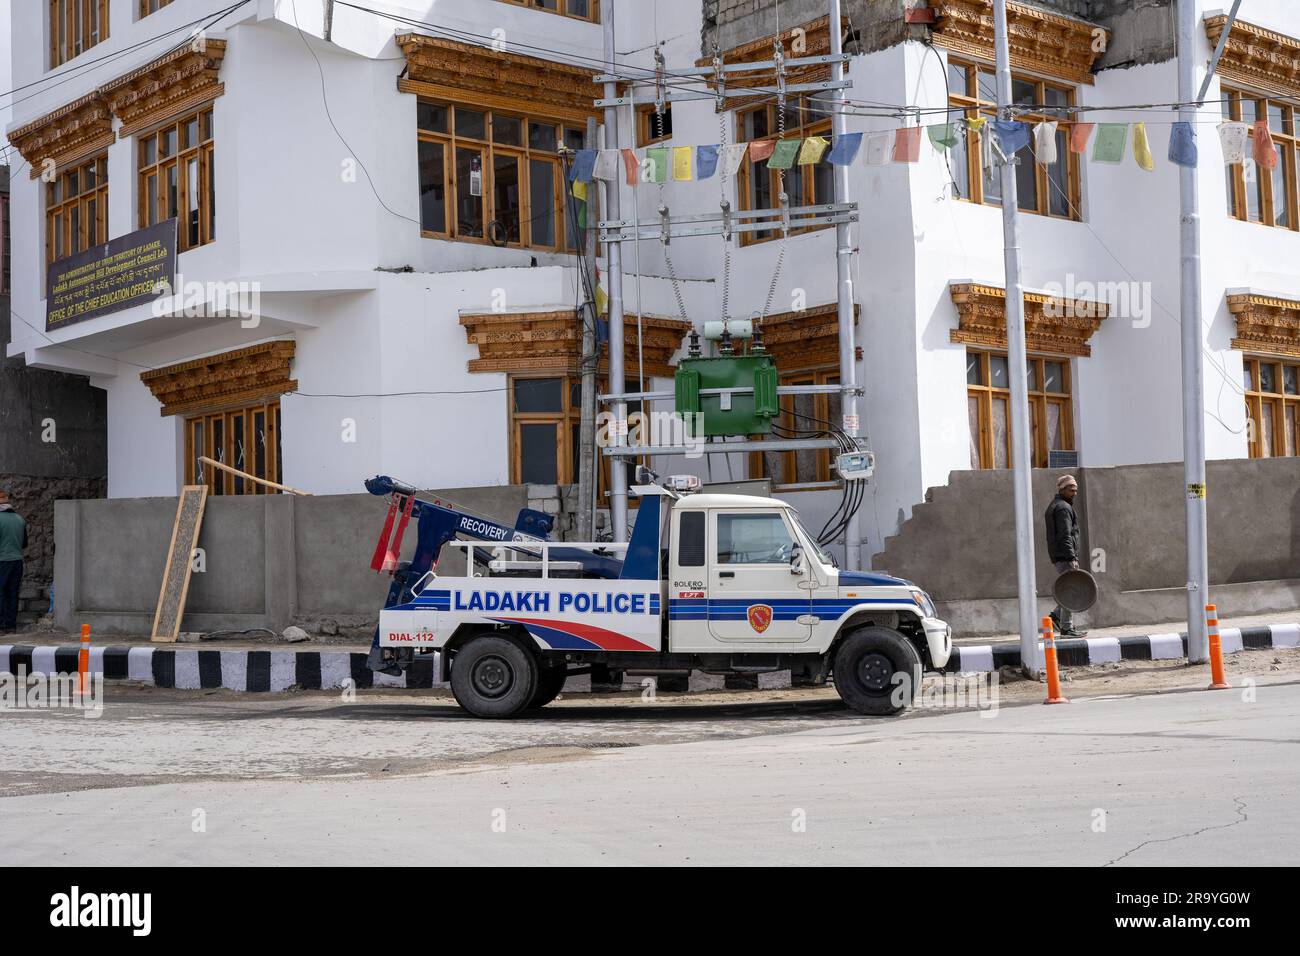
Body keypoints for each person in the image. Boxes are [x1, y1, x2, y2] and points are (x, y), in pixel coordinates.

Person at [1045, 474, 1086, 637]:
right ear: (1062, 489)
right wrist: (1071, 557)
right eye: (1071, 489)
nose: (1074, 493)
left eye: (1076, 490)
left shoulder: (1057, 505)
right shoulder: (1063, 508)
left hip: (1060, 554)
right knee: (1070, 590)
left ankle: (1055, 616)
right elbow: (1065, 535)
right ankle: (1066, 627)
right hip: (1065, 555)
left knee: (1069, 589)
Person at [0, 489, 28, 633]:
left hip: (2, 561)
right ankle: (11, 626)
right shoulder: (20, 519)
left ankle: (2, 625)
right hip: (17, 562)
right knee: (13, 592)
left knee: (1, 593)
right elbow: (24, 543)